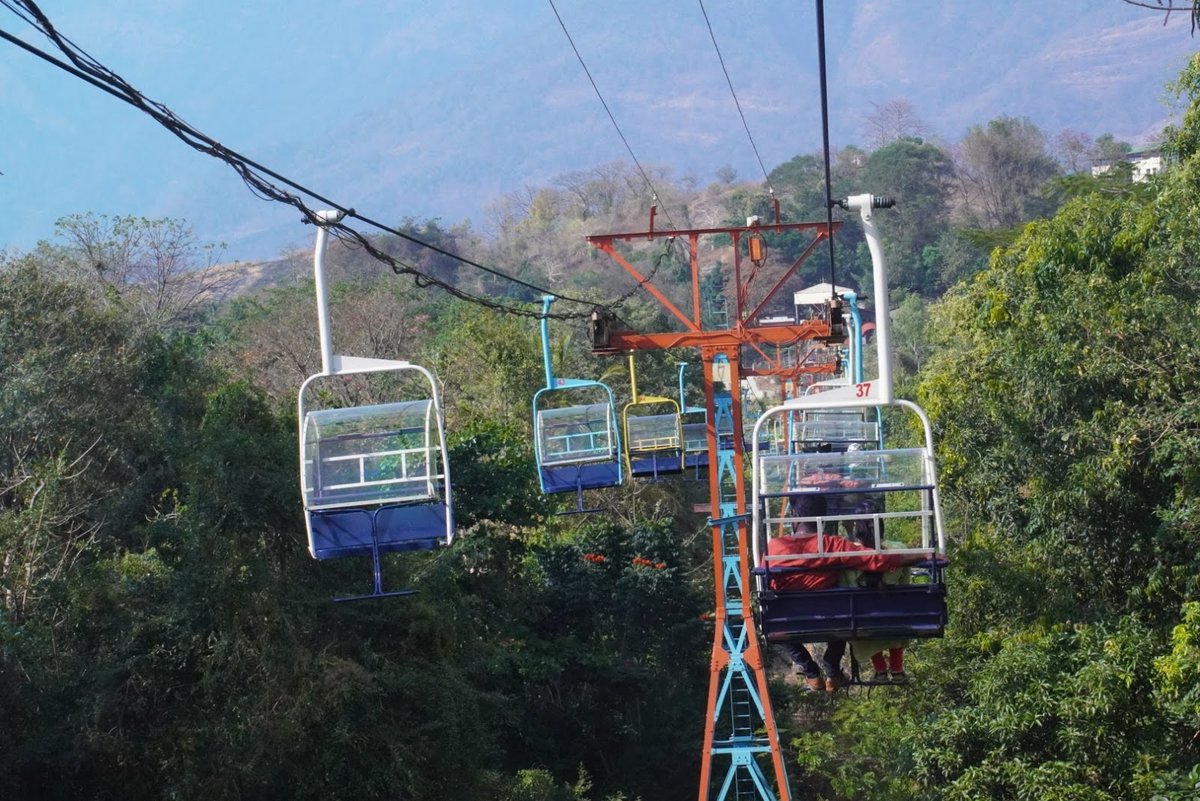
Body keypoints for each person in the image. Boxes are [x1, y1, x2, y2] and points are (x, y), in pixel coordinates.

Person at [767, 493, 930, 692]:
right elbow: (875, 560)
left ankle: (811, 672)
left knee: (780, 631)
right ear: (823, 516)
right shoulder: (833, 544)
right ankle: (832, 670)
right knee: (843, 616)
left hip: (789, 619)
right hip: (832, 618)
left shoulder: (774, 548)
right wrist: (922, 554)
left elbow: (767, 581)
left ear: (795, 514)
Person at [845, 499, 910, 684]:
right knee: (894, 616)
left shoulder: (849, 553)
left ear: (858, 529)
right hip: (895, 616)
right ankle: (897, 670)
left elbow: (846, 585)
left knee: (865, 619)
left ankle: (880, 669)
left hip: (862, 619)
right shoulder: (899, 549)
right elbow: (905, 585)